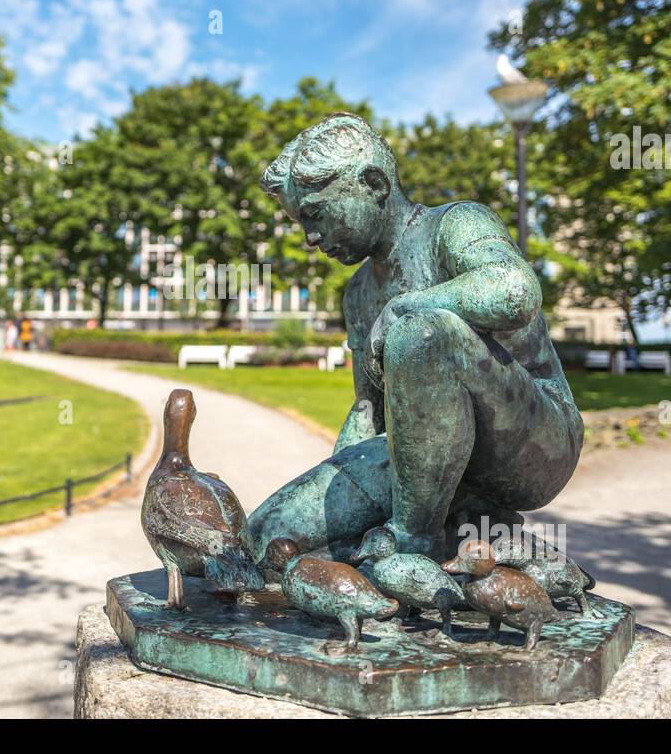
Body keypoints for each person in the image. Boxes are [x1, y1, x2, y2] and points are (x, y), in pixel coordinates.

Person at [248, 113, 583, 562]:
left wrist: (408, 305)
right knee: (265, 535)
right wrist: (340, 481)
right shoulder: (358, 293)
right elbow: (370, 410)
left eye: (316, 214)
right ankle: (462, 515)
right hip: (425, 456)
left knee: (420, 333)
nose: (310, 238)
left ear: (373, 183)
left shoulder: (457, 224)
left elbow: (515, 289)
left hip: (533, 444)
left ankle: (415, 540)